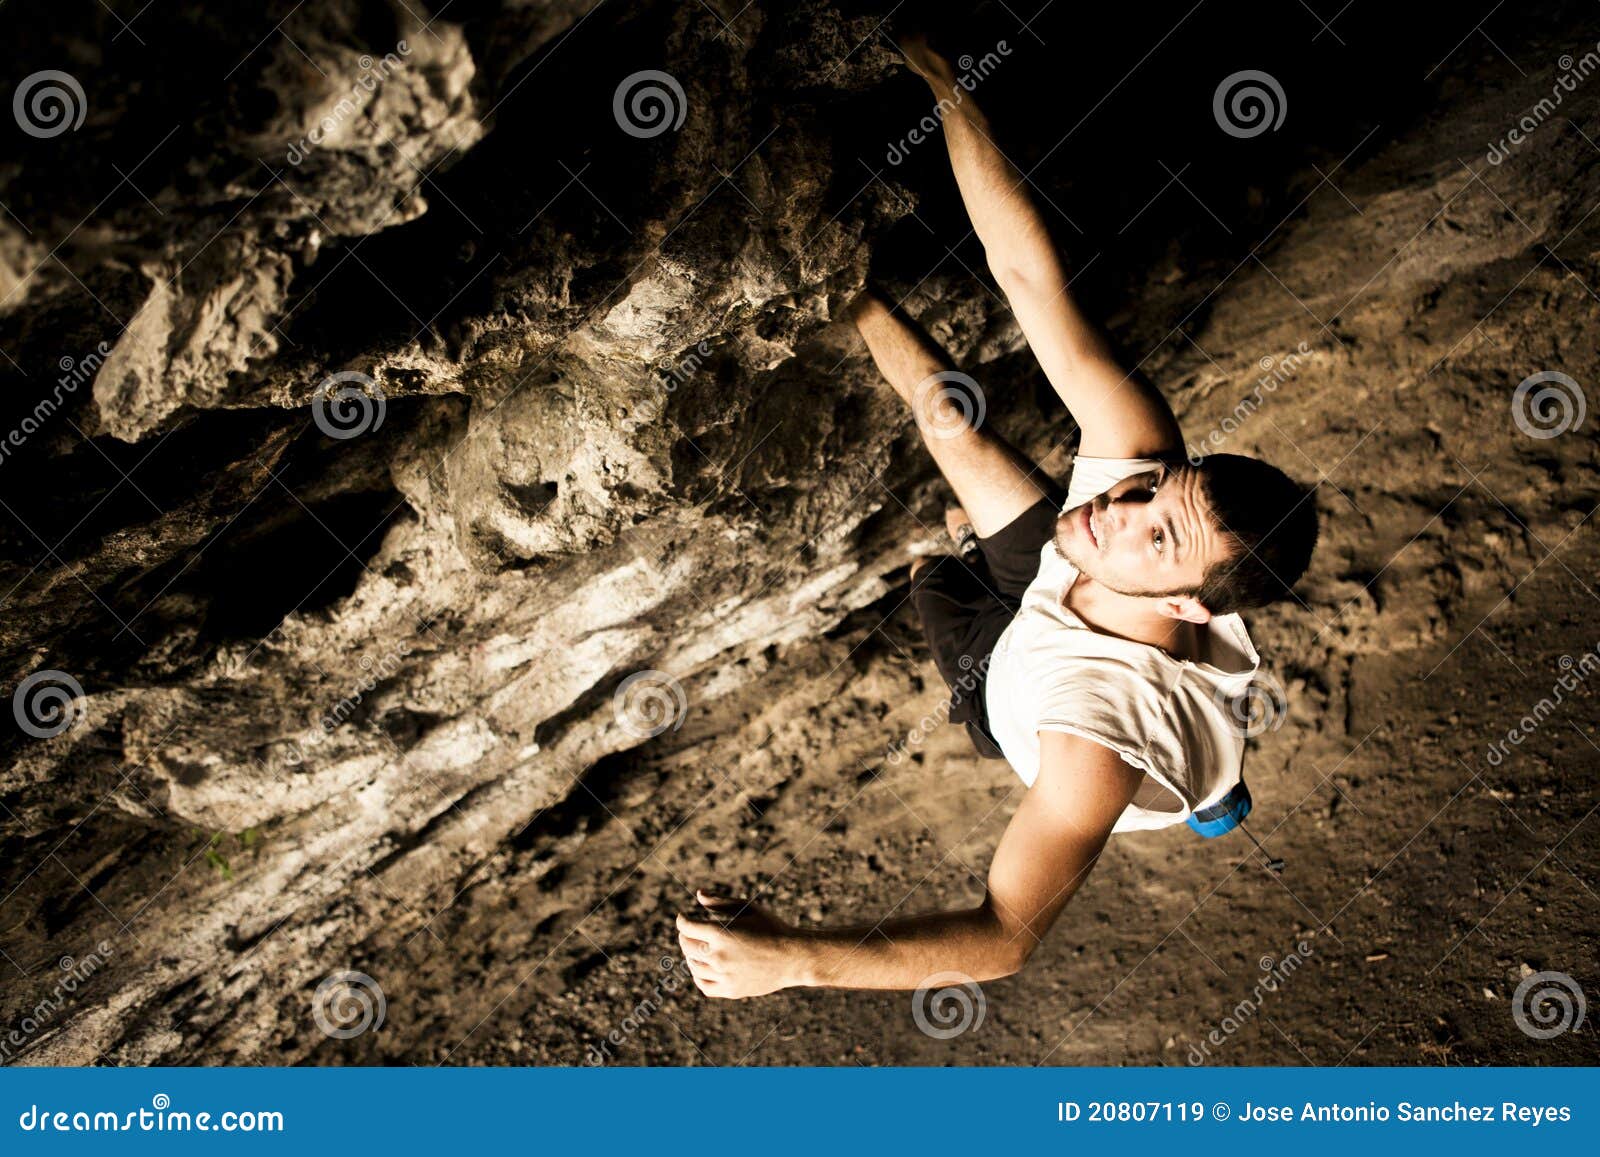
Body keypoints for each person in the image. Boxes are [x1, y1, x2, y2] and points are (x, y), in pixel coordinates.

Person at [676, 36, 1317, 998]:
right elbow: (1027, 275)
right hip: (1065, 599)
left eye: (1157, 533)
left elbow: (1007, 934)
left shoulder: (1093, 741)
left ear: (1190, 607)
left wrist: (793, 958)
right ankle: (845, 291)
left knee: (936, 576)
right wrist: (947, 82)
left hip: (1014, 688)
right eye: (1152, 490)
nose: (1117, 504)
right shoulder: (1129, 498)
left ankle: (1211, 790)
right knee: (951, 425)